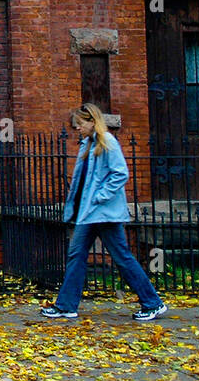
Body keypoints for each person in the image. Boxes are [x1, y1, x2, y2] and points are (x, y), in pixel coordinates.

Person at [40, 104, 166, 320]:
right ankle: (66, 306)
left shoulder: (107, 142)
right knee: (76, 256)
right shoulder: (88, 144)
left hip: (104, 214)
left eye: (80, 124)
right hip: (89, 213)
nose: (77, 128)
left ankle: (153, 302)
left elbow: (120, 173)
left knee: (122, 258)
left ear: (92, 121)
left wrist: (100, 196)